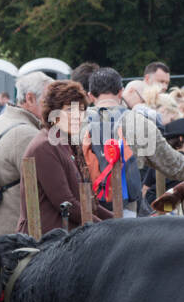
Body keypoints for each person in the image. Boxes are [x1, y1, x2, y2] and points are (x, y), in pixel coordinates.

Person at [85, 68, 184, 215]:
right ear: (121, 92)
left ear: (90, 96)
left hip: (86, 211)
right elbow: (171, 163)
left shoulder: (75, 124)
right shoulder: (139, 122)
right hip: (127, 211)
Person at [19, 81, 114, 234]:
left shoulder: (68, 142)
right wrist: (108, 228)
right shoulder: (45, 146)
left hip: (66, 237)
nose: (77, 116)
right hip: (46, 242)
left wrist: (119, 222)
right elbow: (66, 203)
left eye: (81, 110)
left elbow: (87, 203)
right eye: (70, 110)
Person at [0, 71, 49, 242]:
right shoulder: (27, 134)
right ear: (30, 98)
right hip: (15, 236)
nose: (54, 107)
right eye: (48, 100)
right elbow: (46, 189)